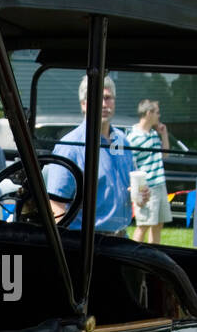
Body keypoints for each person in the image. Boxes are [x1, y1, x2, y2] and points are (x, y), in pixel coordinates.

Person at [44, 75, 134, 234]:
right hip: (87, 243)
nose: (104, 104)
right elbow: (56, 205)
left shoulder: (122, 141)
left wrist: (139, 192)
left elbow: (129, 186)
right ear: (84, 104)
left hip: (121, 239)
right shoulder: (71, 146)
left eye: (108, 98)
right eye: (98, 98)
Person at [126, 99, 173, 244]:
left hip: (160, 184)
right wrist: (135, 188)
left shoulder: (153, 134)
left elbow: (165, 154)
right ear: (148, 113)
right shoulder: (133, 137)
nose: (159, 116)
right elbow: (128, 164)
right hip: (146, 188)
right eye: (157, 113)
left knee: (158, 224)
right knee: (144, 225)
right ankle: (133, 256)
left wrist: (164, 134)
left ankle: (154, 255)